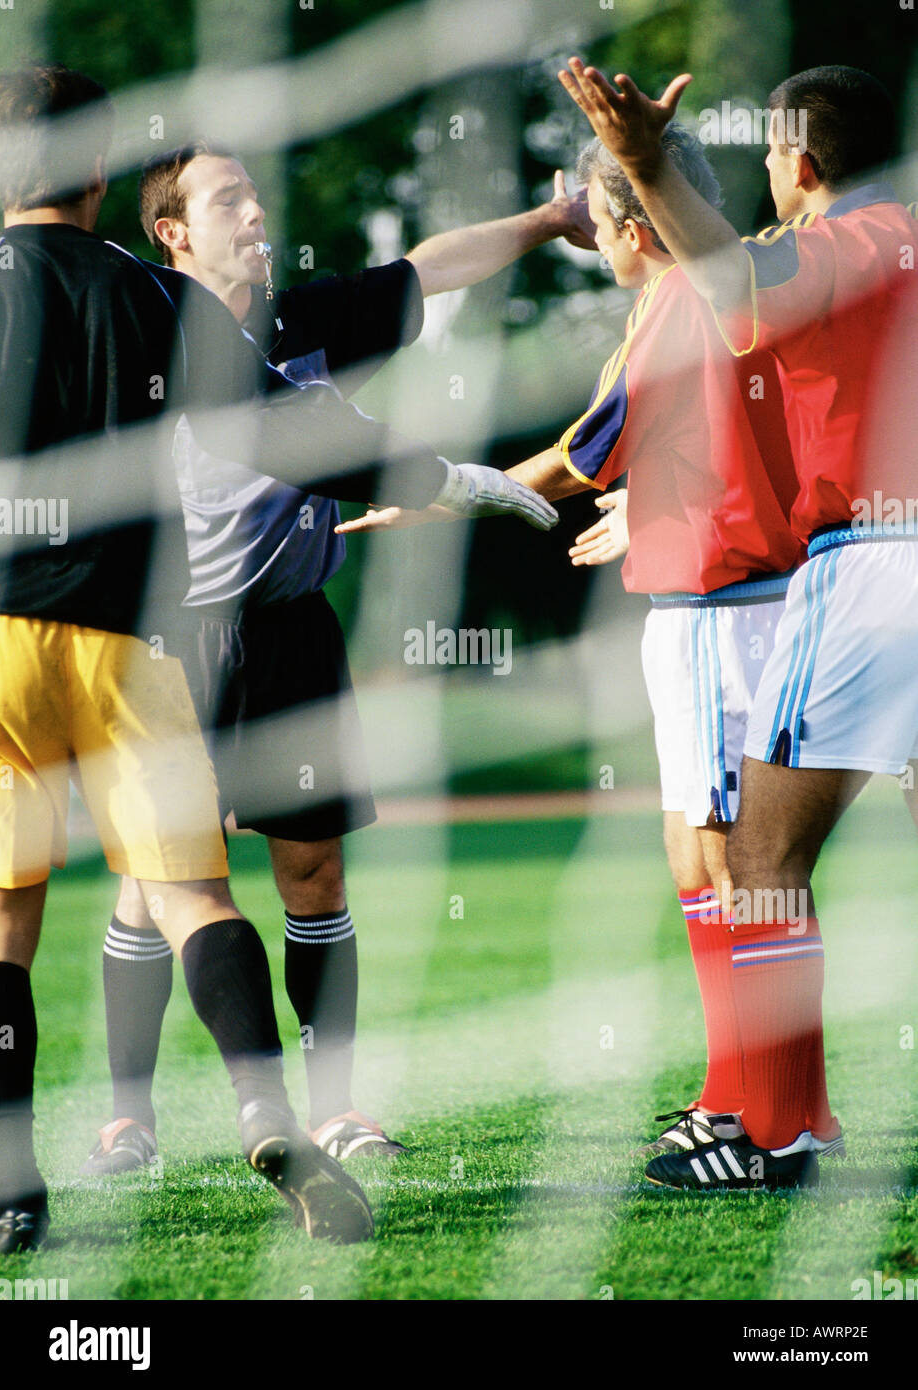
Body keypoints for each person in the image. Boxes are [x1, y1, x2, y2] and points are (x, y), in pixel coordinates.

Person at [0, 63, 554, 1252]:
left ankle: (10, 1186)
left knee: (8, 917)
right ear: (99, 170)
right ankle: (264, 1110)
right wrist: (450, 478)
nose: (254, 215)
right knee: (193, 896)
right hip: (133, 640)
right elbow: (299, 437)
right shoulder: (155, 296)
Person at [339, 124, 847, 1179]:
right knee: (697, 856)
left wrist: (441, 496)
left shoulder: (679, 299)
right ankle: (734, 1093)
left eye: (605, 226)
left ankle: (781, 1119)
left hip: (724, 611)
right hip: (715, 602)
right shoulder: (713, 291)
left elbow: (586, 449)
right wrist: (652, 505)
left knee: (739, 865)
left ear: (632, 226)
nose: (600, 246)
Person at [84, 141, 594, 1174]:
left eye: (254, 193)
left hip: (292, 634)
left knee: (313, 874)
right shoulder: (141, 327)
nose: (256, 212)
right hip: (170, 644)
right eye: (229, 199)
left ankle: (335, 1114)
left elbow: (429, 268)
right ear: (172, 232)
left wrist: (551, 222)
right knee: (153, 882)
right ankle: (127, 1122)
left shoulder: (304, 321)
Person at [558, 57, 918, 1190]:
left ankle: (778, 1130)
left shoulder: (849, 242)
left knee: (760, 858)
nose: (764, 171)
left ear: (799, 162)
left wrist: (642, 161)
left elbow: (728, 279)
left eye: (768, 152)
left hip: (869, 563)